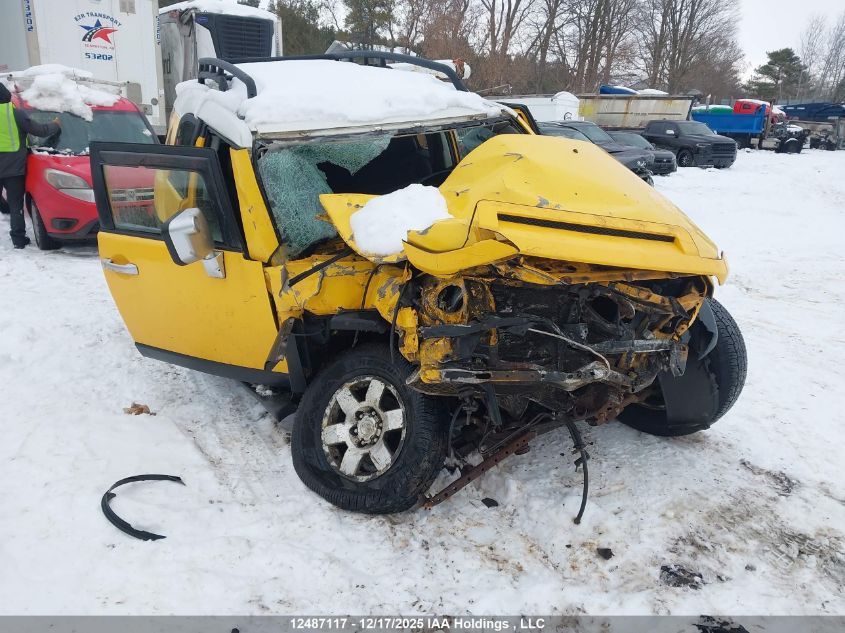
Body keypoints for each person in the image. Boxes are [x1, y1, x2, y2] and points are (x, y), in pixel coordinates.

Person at [0, 83, 60, 249]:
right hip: (14, 169)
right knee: (15, 205)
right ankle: (18, 240)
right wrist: (55, 125)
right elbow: (39, 130)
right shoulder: (14, 113)